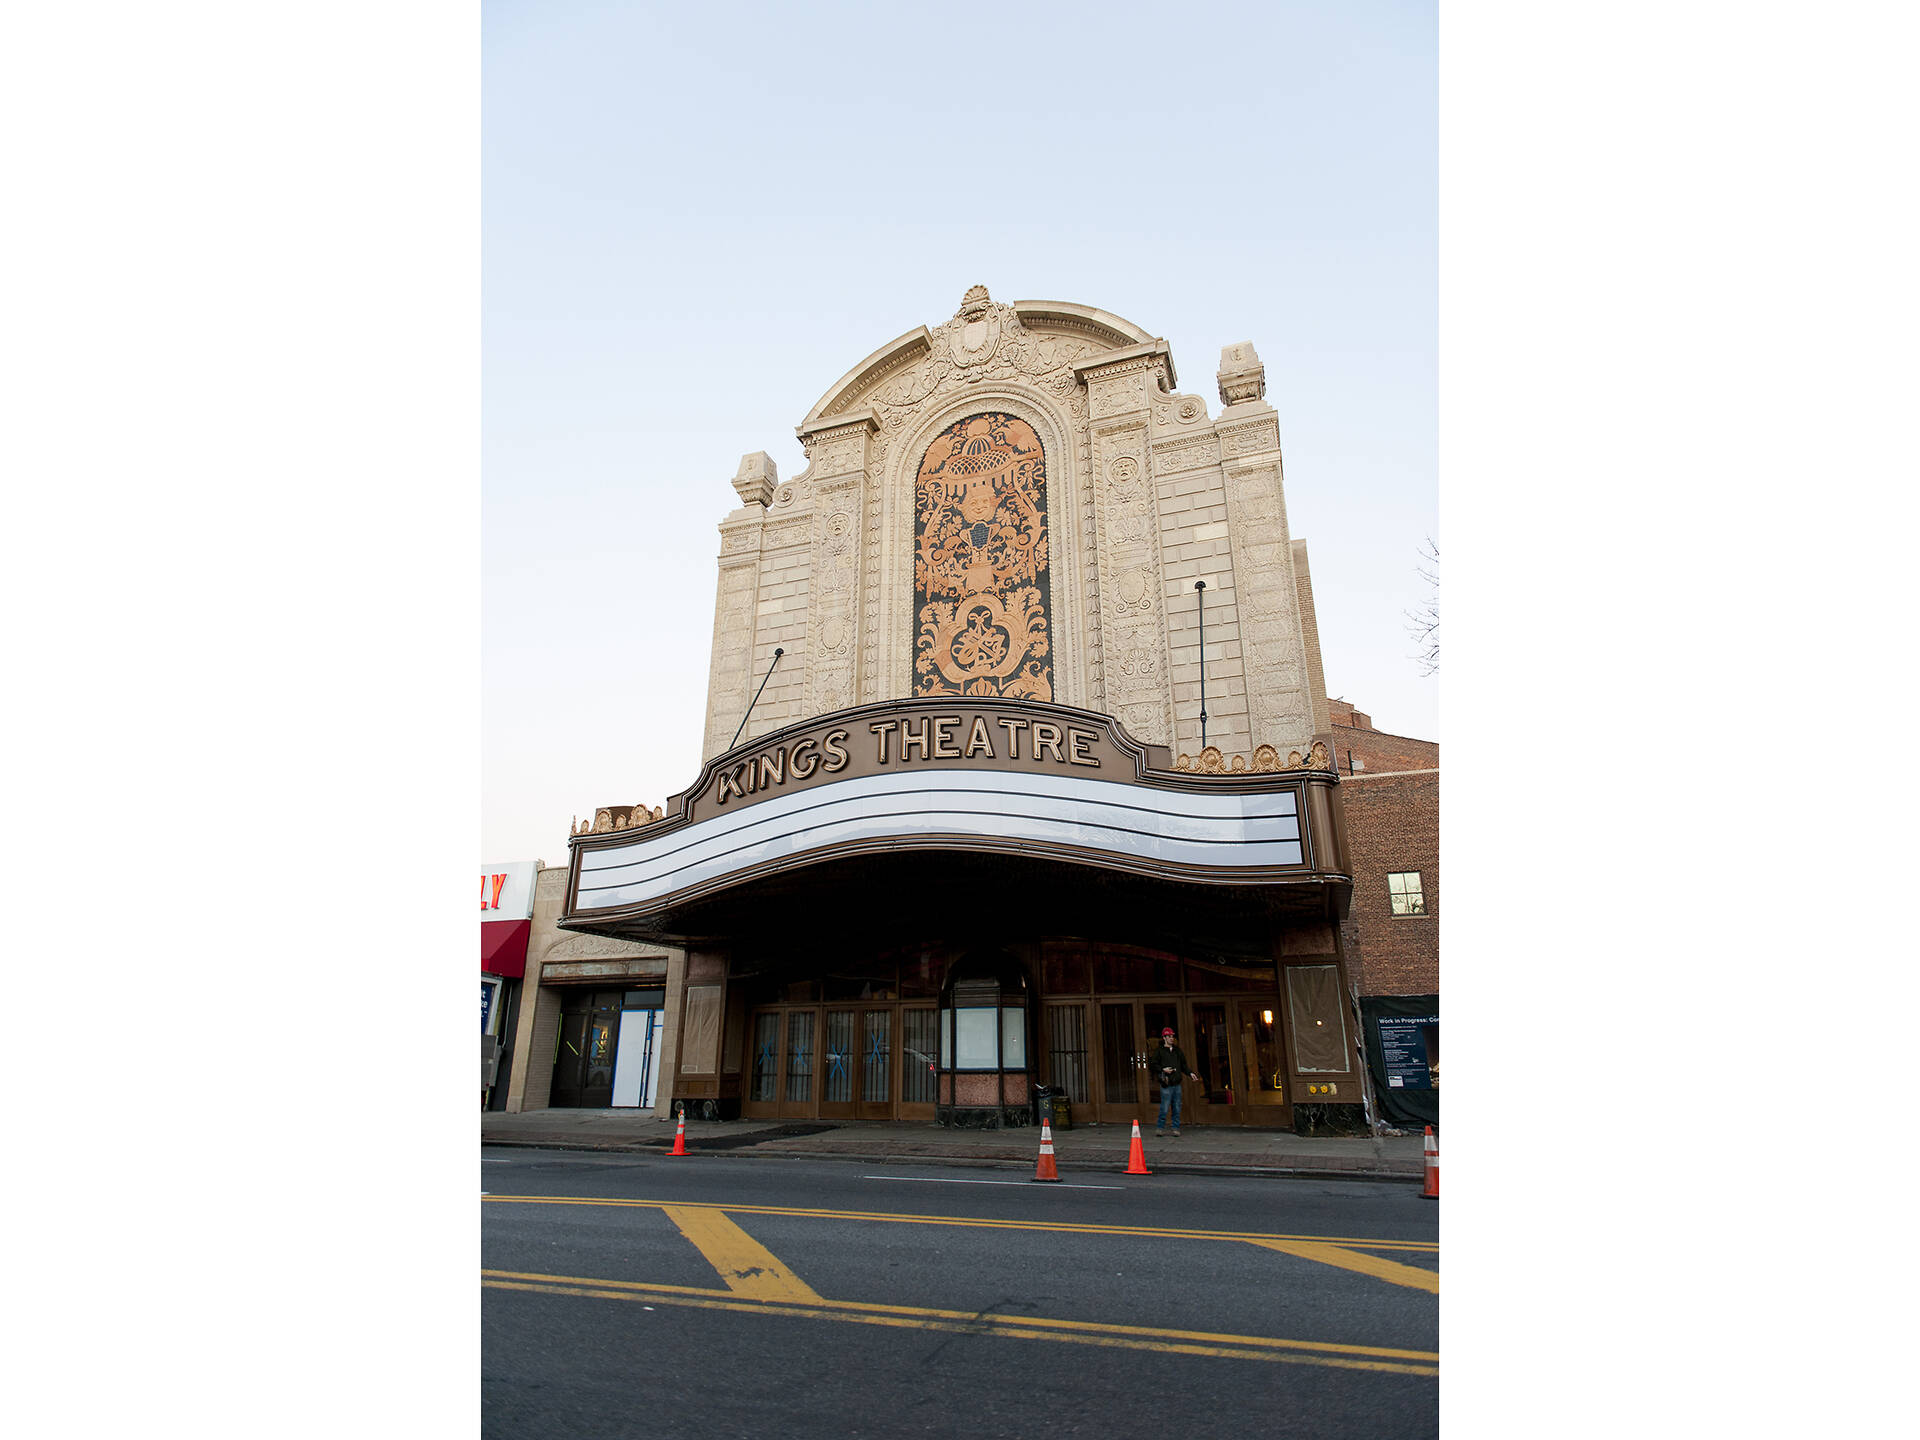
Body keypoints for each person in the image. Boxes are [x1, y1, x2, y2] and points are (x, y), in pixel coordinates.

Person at [1148, 1027, 1200, 1137]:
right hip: (1166, 1084)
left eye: (1172, 1036)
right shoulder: (1159, 1051)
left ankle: (1175, 1128)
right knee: (1165, 1107)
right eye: (1169, 1036)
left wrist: (1190, 1073)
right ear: (1164, 1038)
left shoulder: (1177, 1051)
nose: (1172, 1038)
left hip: (1177, 1084)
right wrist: (1163, 1069)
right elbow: (1153, 1064)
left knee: (1176, 1107)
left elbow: (1183, 1065)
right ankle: (1160, 1127)